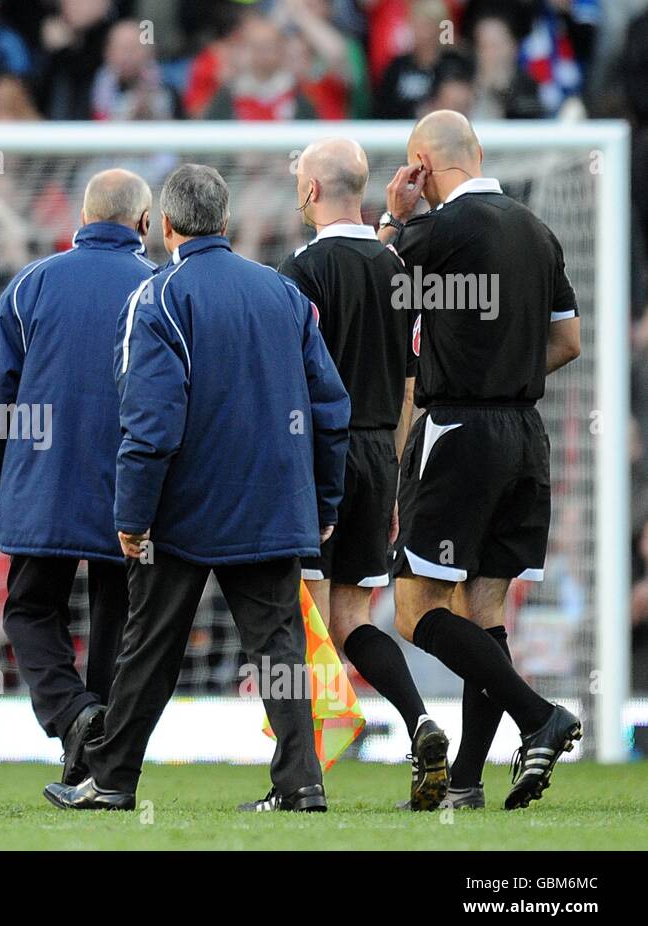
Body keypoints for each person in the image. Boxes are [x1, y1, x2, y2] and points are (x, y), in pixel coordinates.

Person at [44, 164, 350, 812]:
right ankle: (301, 781)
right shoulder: (282, 294)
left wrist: (133, 517)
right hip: (268, 499)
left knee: (150, 643)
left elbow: (151, 423)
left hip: (183, 510)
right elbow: (331, 407)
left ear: (165, 226)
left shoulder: (158, 298)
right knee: (279, 646)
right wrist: (323, 502)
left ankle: (114, 778)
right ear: (226, 220)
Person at [378, 110, 583, 810]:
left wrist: (391, 219)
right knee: (484, 609)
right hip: (525, 434)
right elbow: (569, 340)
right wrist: (508, 367)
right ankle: (465, 781)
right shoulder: (538, 230)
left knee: (414, 609)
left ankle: (538, 716)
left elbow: (382, 296)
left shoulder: (437, 231)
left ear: (422, 168)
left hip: (459, 430)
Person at [0, 168, 157, 789]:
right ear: (144, 225)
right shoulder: (161, 288)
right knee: (120, 621)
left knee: (30, 608)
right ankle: (97, 751)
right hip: (134, 491)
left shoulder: (33, 284)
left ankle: (74, 720)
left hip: (44, 485)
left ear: (81, 219)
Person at [278, 137, 447, 810]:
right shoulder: (396, 264)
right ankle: (421, 720)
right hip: (381, 451)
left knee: (307, 619)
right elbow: (410, 384)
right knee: (353, 617)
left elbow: (292, 383)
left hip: (320, 451)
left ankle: (301, 776)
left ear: (313, 191)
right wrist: (399, 473)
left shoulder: (301, 269)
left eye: (299, 180)